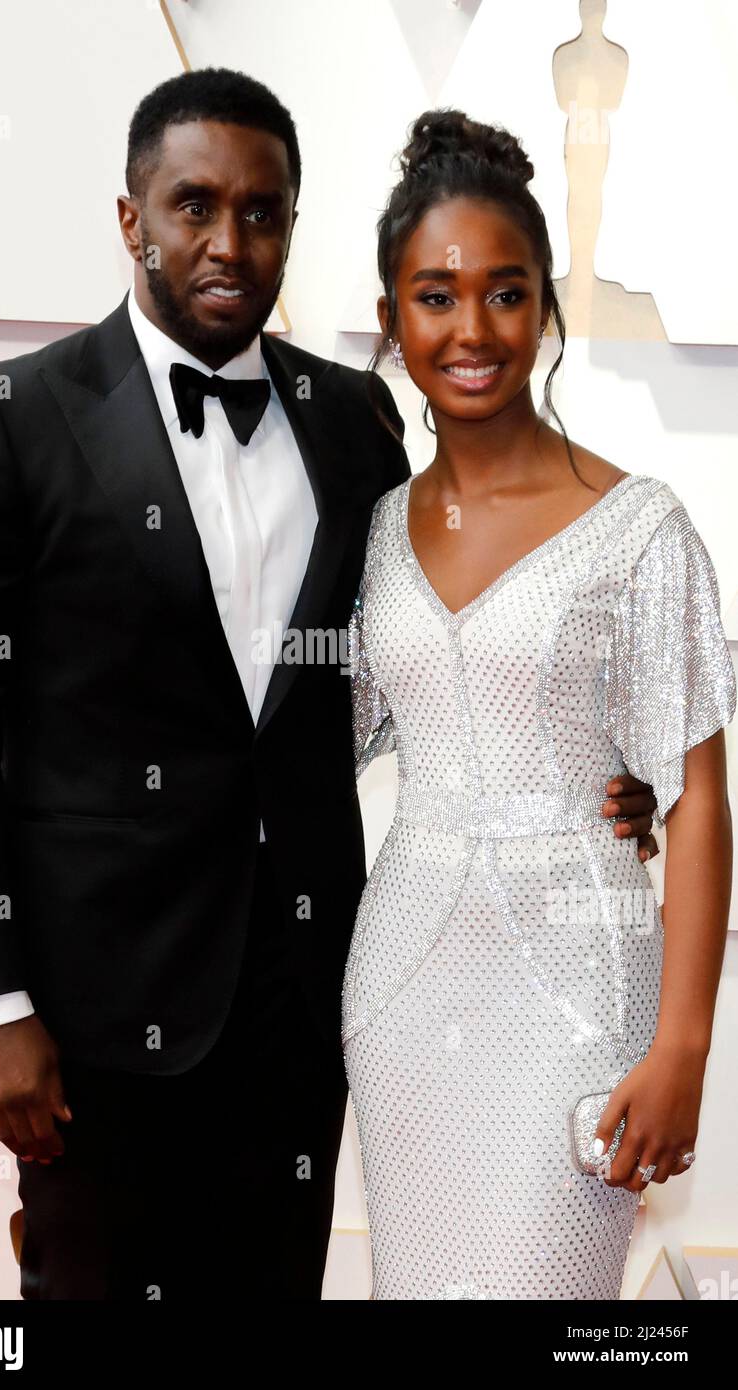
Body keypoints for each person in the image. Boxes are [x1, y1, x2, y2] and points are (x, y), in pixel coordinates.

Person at [0, 72, 659, 1301]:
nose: (228, 243)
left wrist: (591, 777)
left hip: (309, 999)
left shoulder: (353, 422)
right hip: (93, 1012)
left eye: (263, 212)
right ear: (130, 218)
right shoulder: (4, 422)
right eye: (193, 206)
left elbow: (419, 659)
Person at [342, 108, 736, 1301]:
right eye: (435, 295)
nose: (471, 329)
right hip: (401, 991)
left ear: (545, 309)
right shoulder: (370, 531)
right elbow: (305, 744)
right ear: (390, 319)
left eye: (504, 293)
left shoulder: (640, 526)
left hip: (579, 992)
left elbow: (699, 798)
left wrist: (681, 1047)